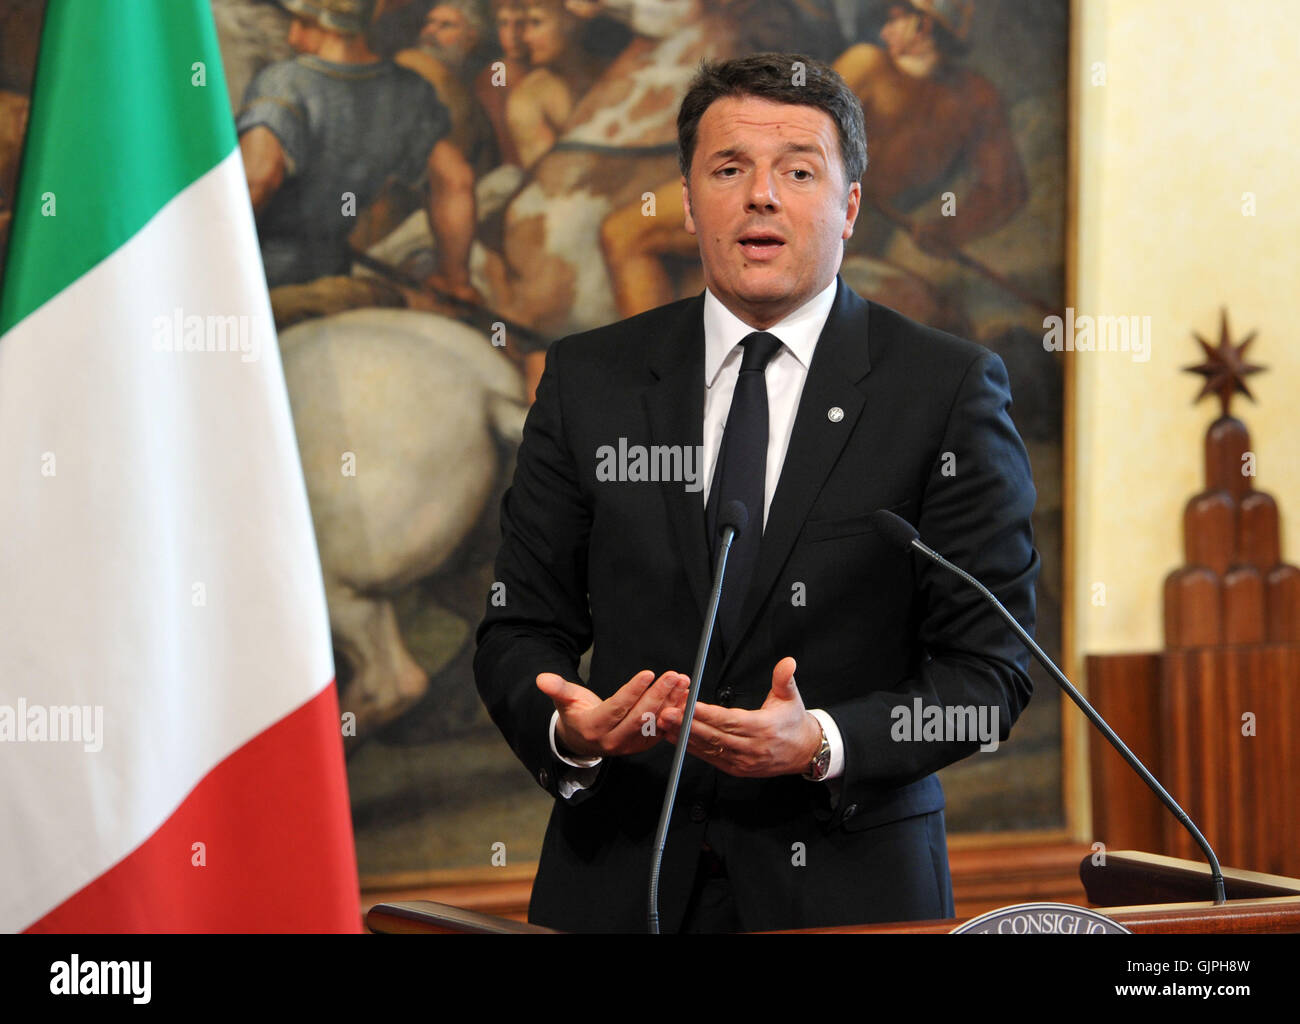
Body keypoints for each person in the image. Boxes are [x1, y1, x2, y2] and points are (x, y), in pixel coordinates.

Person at [474, 52, 1038, 933]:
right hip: (620, 883)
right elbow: (519, 627)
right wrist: (570, 730)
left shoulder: (945, 389)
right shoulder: (591, 381)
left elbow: (989, 673)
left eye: (799, 172)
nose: (762, 196)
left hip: (850, 898)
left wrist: (824, 741)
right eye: (729, 169)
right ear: (688, 201)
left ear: (850, 206)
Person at [237, 0, 478, 318]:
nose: (293, 37)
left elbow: (258, 178)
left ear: (331, 25)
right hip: (339, 276)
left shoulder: (284, 83)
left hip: (270, 284)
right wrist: (454, 279)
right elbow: (455, 180)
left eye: (304, 24)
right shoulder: (407, 90)